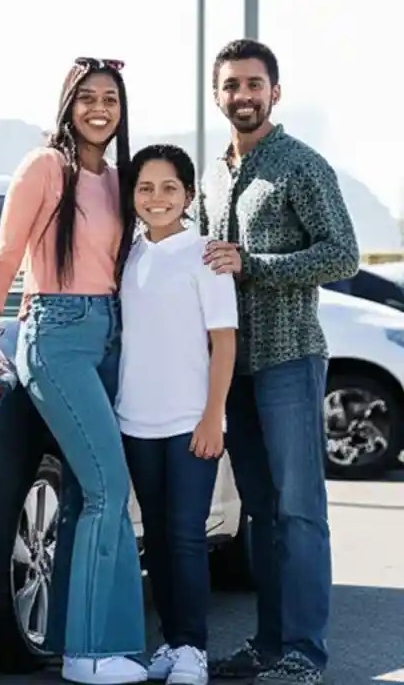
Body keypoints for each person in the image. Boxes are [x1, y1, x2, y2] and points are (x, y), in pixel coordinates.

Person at [0, 57, 147, 685]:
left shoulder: (120, 180)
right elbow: (6, 257)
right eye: (87, 97)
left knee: (94, 492)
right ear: (67, 104)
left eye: (110, 98)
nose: (99, 108)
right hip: (55, 336)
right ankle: (91, 655)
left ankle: (86, 641)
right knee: (110, 488)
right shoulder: (43, 168)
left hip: (109, 334)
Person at [199, 39, 358, 685]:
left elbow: (343, 254)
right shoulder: (212, 174)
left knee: (299, 510)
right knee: (260, 514)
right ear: (218, 95)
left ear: (275, 91)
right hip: (233, 369)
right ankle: (268, 645)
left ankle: (305, 654)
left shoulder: (301, 166)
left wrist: (256, 266)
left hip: (291, 360)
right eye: (232, 85)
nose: (243, 95)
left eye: (254, 84)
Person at [115, 144, 237, 685]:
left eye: (169, 187)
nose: (157, 197)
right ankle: (170, 641)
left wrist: (214, 416)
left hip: (191, 420)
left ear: (189, 194)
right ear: (133, 195)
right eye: (146, 187)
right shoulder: (131, 253)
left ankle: (193, 649)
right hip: (135, 419)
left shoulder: (205, 255)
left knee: (187, 534)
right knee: (157, 538)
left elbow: (224, 342)